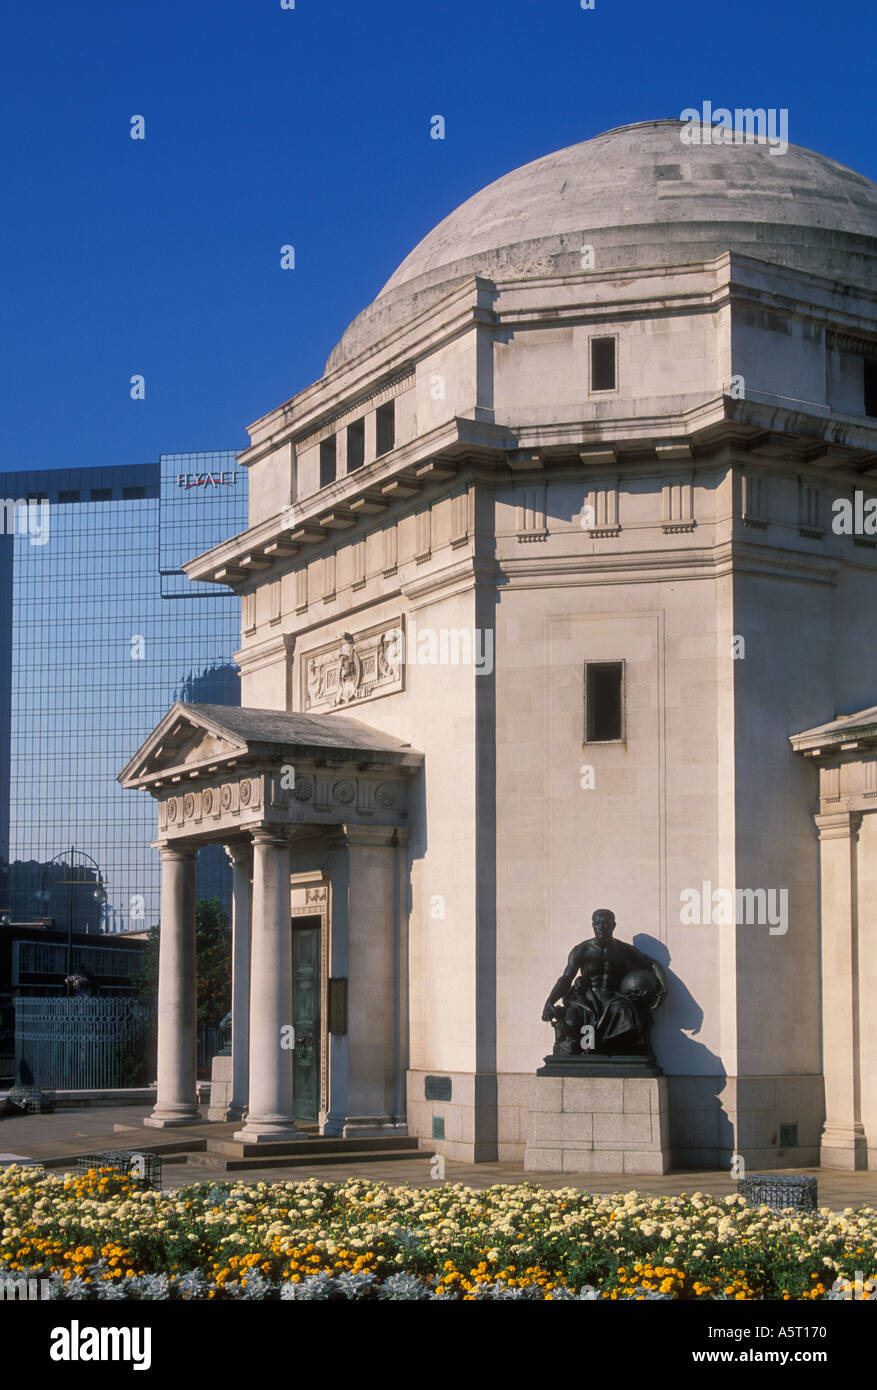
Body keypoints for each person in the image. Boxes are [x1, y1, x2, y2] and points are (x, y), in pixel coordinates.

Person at [541, 908, 667, 1054]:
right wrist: (549, 1001)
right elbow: (566, 979)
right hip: (587, 998)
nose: (601, 927)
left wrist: (664, 988)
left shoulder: (622, 949)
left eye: (606, 923)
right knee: (571, 1022)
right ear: (593, 925)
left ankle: (612, 1048)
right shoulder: (581, 950)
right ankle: (579, 1046)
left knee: (627, 1016)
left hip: (613, 998)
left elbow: (652, 964)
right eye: (598, 923)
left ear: (613, 926)